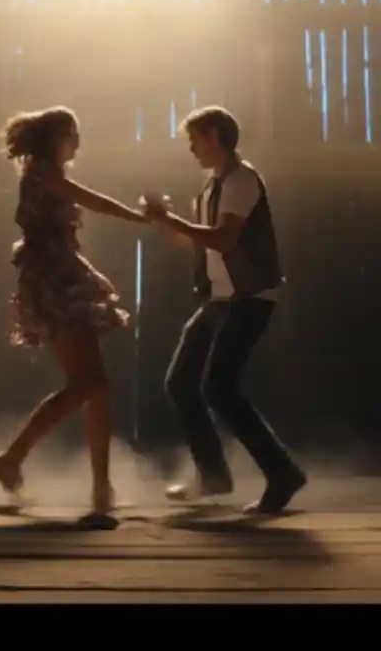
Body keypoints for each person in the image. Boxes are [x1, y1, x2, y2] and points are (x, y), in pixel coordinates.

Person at [143, 106, 307, 515]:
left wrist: (172, 220)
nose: (192, 149)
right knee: (182, 381)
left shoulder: (241, 181)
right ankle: (213, 474)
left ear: (215, 136)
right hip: (220, 300)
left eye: (195, 139)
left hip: (249, 298)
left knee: (218, 386)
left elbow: (225, 241)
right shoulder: (211, 189)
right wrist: (163, 223)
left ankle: (282, 473)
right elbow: (198, 244)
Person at [0, 106, 150, 517]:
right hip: (53, 282)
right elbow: (90, 201)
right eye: (73, 134)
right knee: (89, 382)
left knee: (95, 384)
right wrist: (138, 216)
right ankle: (14, 458)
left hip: (60, 275)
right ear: (57, 138)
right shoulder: (44, 175)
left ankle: (100, 487)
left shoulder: (44, 176)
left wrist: (91, 275)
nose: (78, 143)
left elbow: (60, 241)